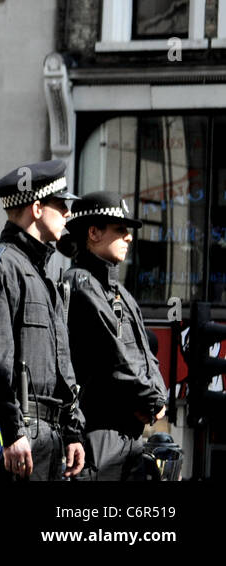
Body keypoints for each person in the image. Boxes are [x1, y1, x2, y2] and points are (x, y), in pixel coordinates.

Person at [0, 159, 86, 481]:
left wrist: (72, 430)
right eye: (61, 204)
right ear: (37, 208)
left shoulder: (43, 276)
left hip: (48, 434)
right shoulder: (0, 266)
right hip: (21, 432)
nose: (68, 213)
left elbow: (61, 364)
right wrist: (11, 432)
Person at [61, 191, 167, 480]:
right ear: (93, 232)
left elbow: (147, 354)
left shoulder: (121, 293)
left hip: (127, 436)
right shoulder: (80, 284)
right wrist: (151, 402)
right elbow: (113, 357)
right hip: (99, 433)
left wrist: (159, 398)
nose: (129, 237)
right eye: (120, 229)